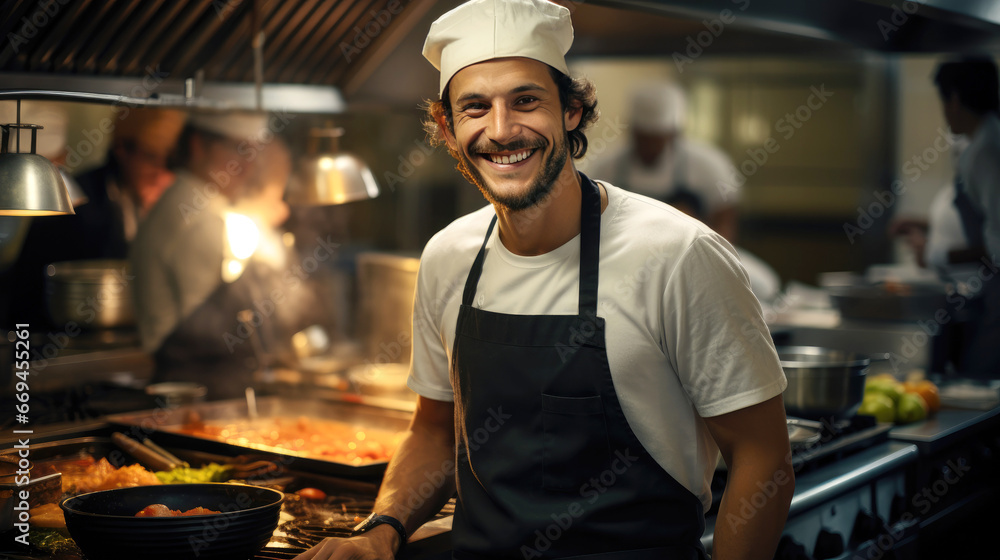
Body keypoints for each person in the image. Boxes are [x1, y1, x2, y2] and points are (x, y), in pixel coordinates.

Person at [296, 1, 793, 559]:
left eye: (526, 101)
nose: (502, 130)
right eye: (475, 107)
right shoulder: (448, 256)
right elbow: (435, 433)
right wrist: (382, 527)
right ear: (447, 126)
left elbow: (762, 458)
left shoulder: (678, 255)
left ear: (573, 110)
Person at [130, 112, 299, 399]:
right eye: (238, 149)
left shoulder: (194, 203)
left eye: (253, 154)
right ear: (198, 145)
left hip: (195, 384)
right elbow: (208, 334)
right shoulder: (195, 215)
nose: (248, 167)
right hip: (192, 391)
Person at [4, 105, 185, 329]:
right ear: (122, 150)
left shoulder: (174, 205)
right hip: (64, 337)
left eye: (171, 162)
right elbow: (26, 293)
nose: (162, 172)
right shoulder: (73, 199)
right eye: (151, 157)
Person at [587, 80, 741, 243]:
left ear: (674, 133)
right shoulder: (606, 168)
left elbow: (725, 225)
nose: (650, 146)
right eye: (644, 138)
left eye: (657, 138)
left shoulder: (710, 166)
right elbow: (592, 223)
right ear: (632, 132)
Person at [932, 55, 1000, 377]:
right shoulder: (986, 140)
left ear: (955, 99)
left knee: (982, 378)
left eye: (943, 102)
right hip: (989, 284)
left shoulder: (986, 150)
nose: (944, 113)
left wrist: (944, 255)